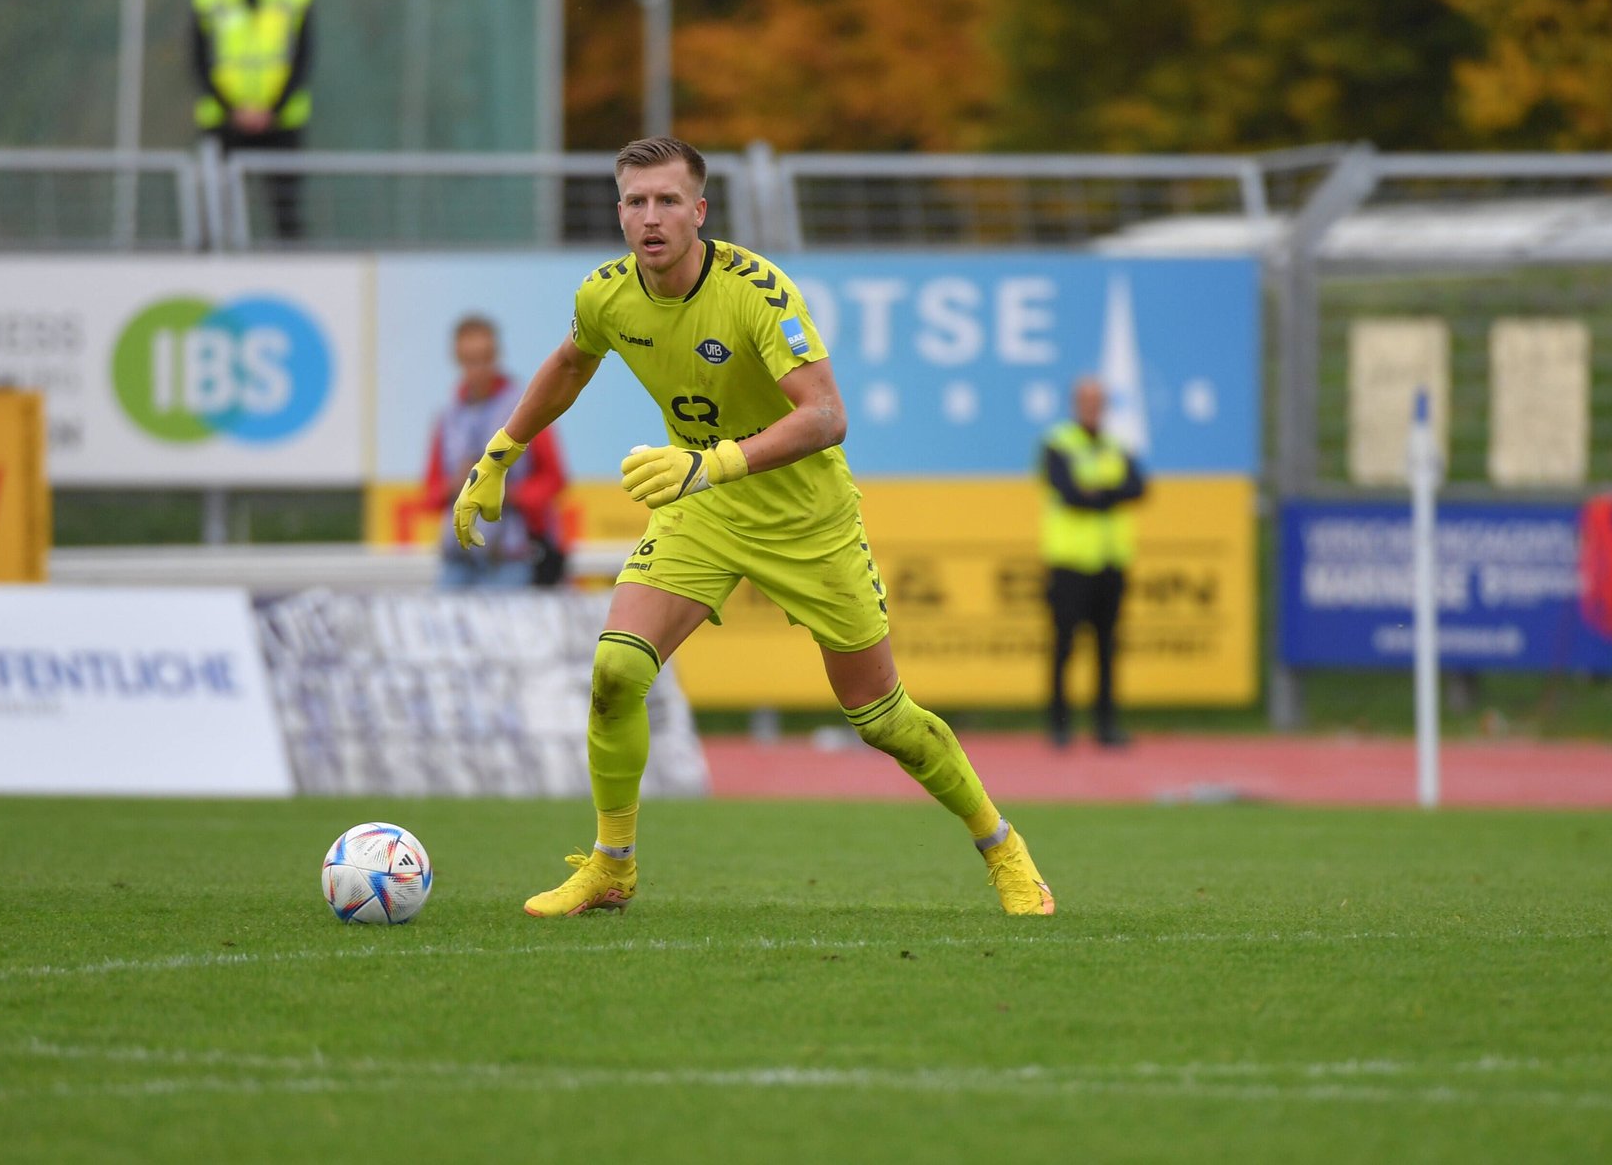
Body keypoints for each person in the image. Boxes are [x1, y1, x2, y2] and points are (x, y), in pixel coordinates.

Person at [453, 137, 1054, 918]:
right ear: (620, 213)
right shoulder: (607, 294)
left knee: (882, 719)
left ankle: (1002, 844)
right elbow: (571, 361)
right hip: (703, 507)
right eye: (635, 201)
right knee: (615, 674)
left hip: (807, 519)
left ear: (699, 212)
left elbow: (828, 415)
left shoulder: (756, 292)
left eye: (668, 200)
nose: (651, 216)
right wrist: (499, 453)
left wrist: (713, 464)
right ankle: (612, 863)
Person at [1040, 377, 1148, 748]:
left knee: (1107, 648)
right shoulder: (1059, 442)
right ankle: (1060, 725)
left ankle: (1105, 725)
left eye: (1098, 402)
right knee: (1064, 646)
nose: (1092, 409)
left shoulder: (1116, 444)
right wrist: (1109, 494)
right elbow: (1069, 493)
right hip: (1069, 563)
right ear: (1075, 404)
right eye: (1086, 402)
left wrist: (1095, 492)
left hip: (1109, 562)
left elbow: (1139, 487)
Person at [424, 315, 567, 589]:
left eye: (484, 358)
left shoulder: (527, 409)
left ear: (496, 356)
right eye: (469, 360)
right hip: (459, 557)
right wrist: (458, 484)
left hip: (511, 555)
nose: (478, 369)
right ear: (457, 360)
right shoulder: (448, 417)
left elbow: (554, 479)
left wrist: (503, 492)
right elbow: (430, 492)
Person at [192, 0, 312, 241]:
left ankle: (294, 275)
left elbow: (303, 60)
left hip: (281, 120)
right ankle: (211, 279)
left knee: (285, 209)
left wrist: (271, 108)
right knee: (216, 212)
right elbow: (200, 63)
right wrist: (235, 110)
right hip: (224, 121)